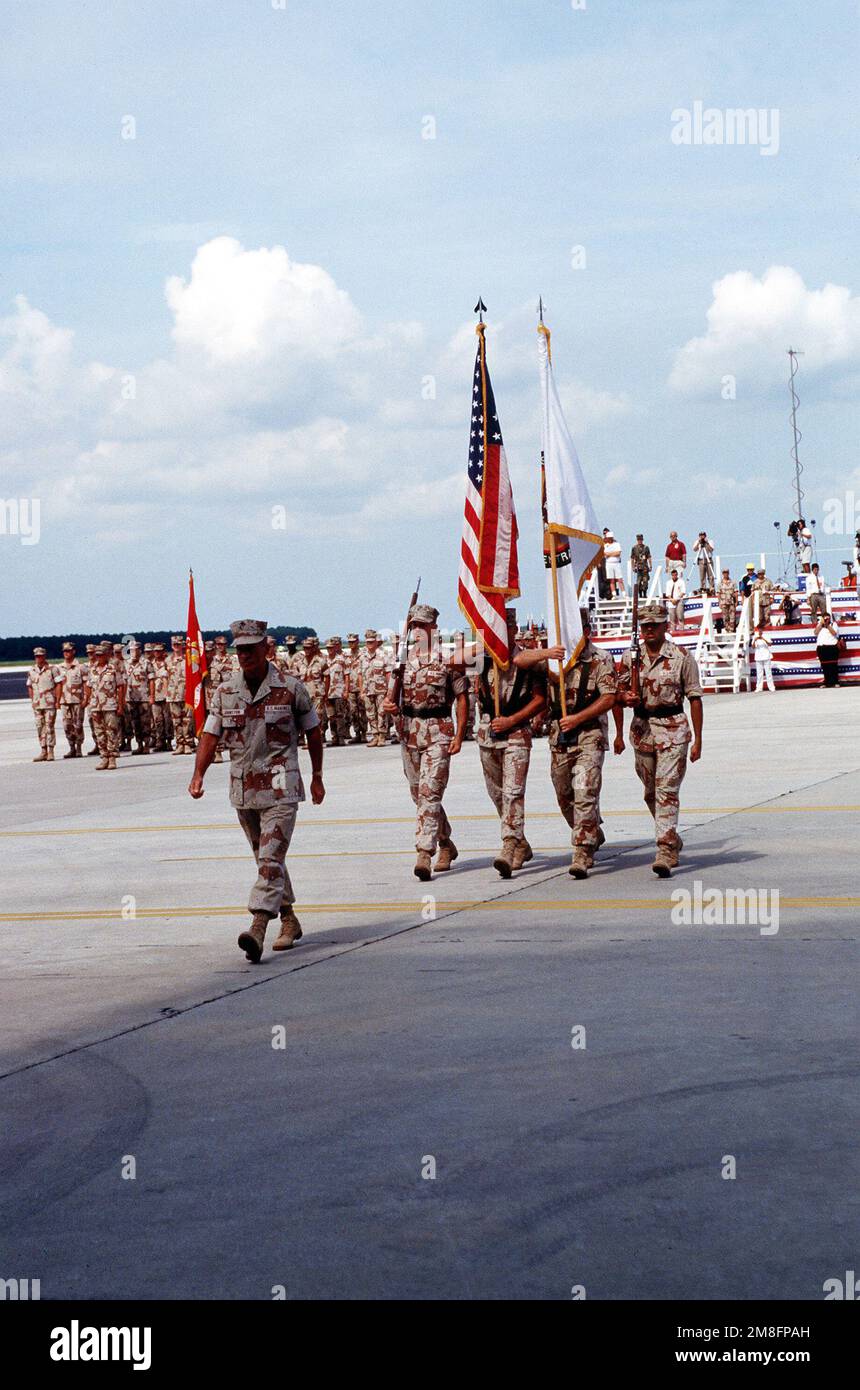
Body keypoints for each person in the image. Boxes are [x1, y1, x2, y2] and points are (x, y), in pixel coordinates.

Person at [189, 618, 325, 963]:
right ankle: (290, 919)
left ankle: (258, 926)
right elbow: (210, 735)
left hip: (282, 786)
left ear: (266, 649)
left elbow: (314, 732)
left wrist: (317, 775)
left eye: (251, 649)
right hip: (244, 789)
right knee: (267, 858)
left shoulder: (291, 689)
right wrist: (198, 774)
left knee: (269, 857)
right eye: (241, 650)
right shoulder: (225, 692)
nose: (245, 655)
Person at [516, 611, 616, 879]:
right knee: (564, 794)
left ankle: (582, 851)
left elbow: (608, 698)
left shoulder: (600, 659)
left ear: (586, 630)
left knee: (584, 790)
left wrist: (579, 718)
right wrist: (547, 653)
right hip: (560, 736)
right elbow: (519, 660)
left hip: (588, 734)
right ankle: (591, 829)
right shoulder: (553, 661)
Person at [616, 600, 703, 877]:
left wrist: (698, 739)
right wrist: (624, 698)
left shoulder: (681, 657)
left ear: (666, 625)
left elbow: (695, 698)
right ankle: (672, 836)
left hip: (673, 729)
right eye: (645, 626)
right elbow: (615, 694)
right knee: (651, 792)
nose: (649, 630)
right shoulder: (631, 657)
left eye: (654, 625)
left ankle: (665, 850)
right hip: (642, 730)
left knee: (667, 790)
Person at [382, 604, 468, 881]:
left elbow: (462, 698)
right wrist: (388, 705)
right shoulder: (400, 661)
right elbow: (391, 698)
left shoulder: (447, 659)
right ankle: (446, 844)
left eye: (423, 626)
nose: (418, 631)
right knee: (418, 794)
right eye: (414, 626)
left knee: (430, 793)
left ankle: (424, 852)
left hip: (438, 731)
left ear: (433, 629)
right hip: (409, 733)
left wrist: (459, 735)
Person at [475, 608, 546, 877]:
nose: (501, 633)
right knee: (497, 795)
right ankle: (521, 842)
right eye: (495, 627)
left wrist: (512, 719)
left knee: (513, 793)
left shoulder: (528, 661)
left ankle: (509, 846)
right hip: (488, 735)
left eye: (505, 628)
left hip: (516, 733)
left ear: (514, 630)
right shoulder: (482, 659)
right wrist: (482, 643)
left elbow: (540, 700)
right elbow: (454, 660)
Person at [85, 640, 125, 770]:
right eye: (97, 655)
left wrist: (120, 704)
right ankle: (104, 758)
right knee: (99, 733)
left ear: (107, 655)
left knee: (111, 732)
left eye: (101, 655)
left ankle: (112, 758)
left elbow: (120, 687)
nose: (98, 657)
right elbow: (89, 687)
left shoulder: (113, 668)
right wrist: (89, 702)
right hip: (96, 706)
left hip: (109, 705)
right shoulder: (92, 670)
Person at [27, 647, 62, 762]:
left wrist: (57, 700)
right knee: (39, 727)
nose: (39, 658)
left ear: (45, 656)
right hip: (37, 704)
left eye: (41, 656)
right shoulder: (32, 670)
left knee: (49, 727)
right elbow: (30, 686)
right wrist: (32, 700)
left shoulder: (53, 669)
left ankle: (51, 751)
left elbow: (58, 684)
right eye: (37, 656)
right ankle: (43, 751)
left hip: (49, 702)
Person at [292, 636, 328, 742]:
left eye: (309, 647)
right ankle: (308, 739)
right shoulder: (299, 663)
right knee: (305, 717)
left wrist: (325, 691)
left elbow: (327, 676)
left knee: (317, 717)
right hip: (304, 694)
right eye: (305, 648)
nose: (306, 650)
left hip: (317, 693)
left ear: (313, 648)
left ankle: (317, 739)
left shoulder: (320, 661)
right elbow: (295, 678)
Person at [360, 629, 390, 747]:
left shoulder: (383, 655)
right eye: (368, 642)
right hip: (368, 690)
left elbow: (388, 674)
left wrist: (389, 691)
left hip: (381, 689)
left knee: (382, 713)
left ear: (377, 642)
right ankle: (375, 736)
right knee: (370, 714)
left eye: (372, 642)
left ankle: (382, 736)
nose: (369, 644)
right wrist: (362, 690)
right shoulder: (363, 657)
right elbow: (360, 675)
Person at [125, 641, 155, 753]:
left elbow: (152, 681)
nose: (134, 652)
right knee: (135, 723)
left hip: (144, 698)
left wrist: (152, 696)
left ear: (140, 650)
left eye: (136, 649)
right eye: (131, 650)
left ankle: (146, 744)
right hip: (131, 698)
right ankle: (139, 745)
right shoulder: (126, 664)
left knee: (145, 722)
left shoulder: (146, 663)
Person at [57, 641, 85, 757]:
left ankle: (79, 748)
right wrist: (57, 700)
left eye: (68, 651)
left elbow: (86, 684)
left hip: (77, 700)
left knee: (78, 725)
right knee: (67, 726)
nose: (66, 653)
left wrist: (86, 699)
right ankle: (71, 747)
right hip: (64, 701)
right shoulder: (59, 668)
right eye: (64, 651)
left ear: (73, 651)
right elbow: (57, 685)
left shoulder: (80, 667)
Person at [167, 635, 194, 755]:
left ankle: (188, 744)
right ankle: (179, 744)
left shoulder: (188, 659)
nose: (176, 647)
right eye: (174, 645)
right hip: (172, 695)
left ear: (183, 645)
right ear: (172, 646)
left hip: (186, 694)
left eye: (178, 644)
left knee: (187, 721)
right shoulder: (168, 660)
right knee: (176, 721)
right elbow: (165, 678)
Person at [324, 637, 350, 746]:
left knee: (340, 716)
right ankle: (334, 737)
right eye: (328, 648)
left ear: (335, 647)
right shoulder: (324, 661)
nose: (330, 649)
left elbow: (347, 676)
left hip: (339, 692)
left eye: (331, 647)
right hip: (328, 693)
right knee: (331, 717)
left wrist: (346, 690)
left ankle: (341, 737)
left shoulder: (341, 660)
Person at [343, 633, 367, 744]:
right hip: (351, 688)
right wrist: (346, 690)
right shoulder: (347, 656)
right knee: (353, 711)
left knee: (362, 711)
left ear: (357, 641)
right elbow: (346, 674)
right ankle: (357, 733)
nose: (351, 644)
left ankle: (364, 734)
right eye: (349, 642)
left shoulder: (363, 654)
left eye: (353, 641)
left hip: (362, 687)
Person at [815, 613, 841, 688]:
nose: (827, 620)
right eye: (825, 618)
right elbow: (815, 633)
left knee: (833, 665)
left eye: (828, 618)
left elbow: (834, 633)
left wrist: (827, 625)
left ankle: (835, 681)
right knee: (824, 665)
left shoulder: (834, 624)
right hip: (822, 647)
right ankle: (826, 682)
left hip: (832, 646)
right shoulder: (820, 625)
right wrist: (821, 624)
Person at [752, 625, 776, 692]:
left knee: (768, 672)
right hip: (758, 656)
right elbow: (753, 647)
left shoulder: (766, 636)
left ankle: (771, 687)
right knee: (759, 673)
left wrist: (763, 639)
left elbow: (770, 644)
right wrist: (755, 640)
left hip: (766, 656)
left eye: (761, 629)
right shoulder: (755, 636)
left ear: (762, 629)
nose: (759, 631)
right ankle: (759, 687)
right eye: (758, 629)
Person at [603, 531, 624, 597]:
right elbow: (605, 554)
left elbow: (618, 553)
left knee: (619, 579)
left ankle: (624, 593)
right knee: (611, 580)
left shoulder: (616, 544)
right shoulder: (605, 545)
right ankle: (614, 594)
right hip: (609, 564)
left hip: (616, 563)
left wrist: (610, 554)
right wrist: (613, 553)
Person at [716, 569, 737, 633]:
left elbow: (736, 592)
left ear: (728, 573)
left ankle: (732, 630)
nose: (725, 574)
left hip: (731, 602)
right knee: (725, 617)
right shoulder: (720, 583)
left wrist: (736, 601)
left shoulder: (733, 582)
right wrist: (719, 602)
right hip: (723, 602)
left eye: (727, 572)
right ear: (722, 574)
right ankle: (727, 629)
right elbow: (718, 594)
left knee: (732, 617)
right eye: (724, 573)